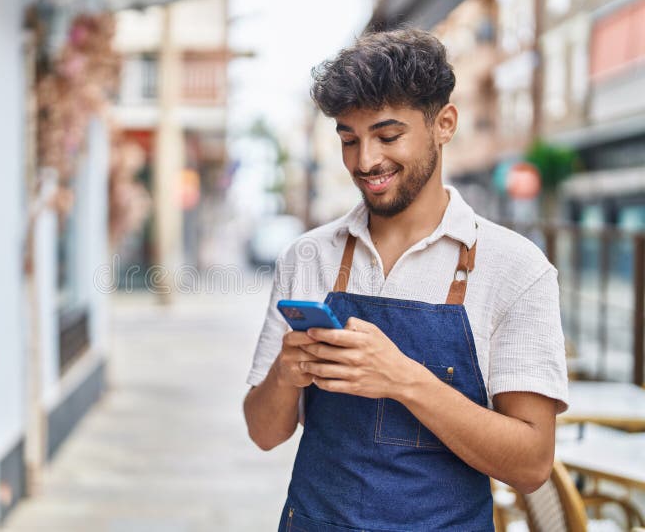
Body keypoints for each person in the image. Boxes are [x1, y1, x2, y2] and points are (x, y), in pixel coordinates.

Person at [243, 28, 568, 532]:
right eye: (349, 139)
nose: (365, 161)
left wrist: (404, 380)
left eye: (388, 136)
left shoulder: (516, 269)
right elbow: (263, 433)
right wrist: (285, 374)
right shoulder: (306, 257)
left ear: (444, 123)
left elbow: (529, 465)